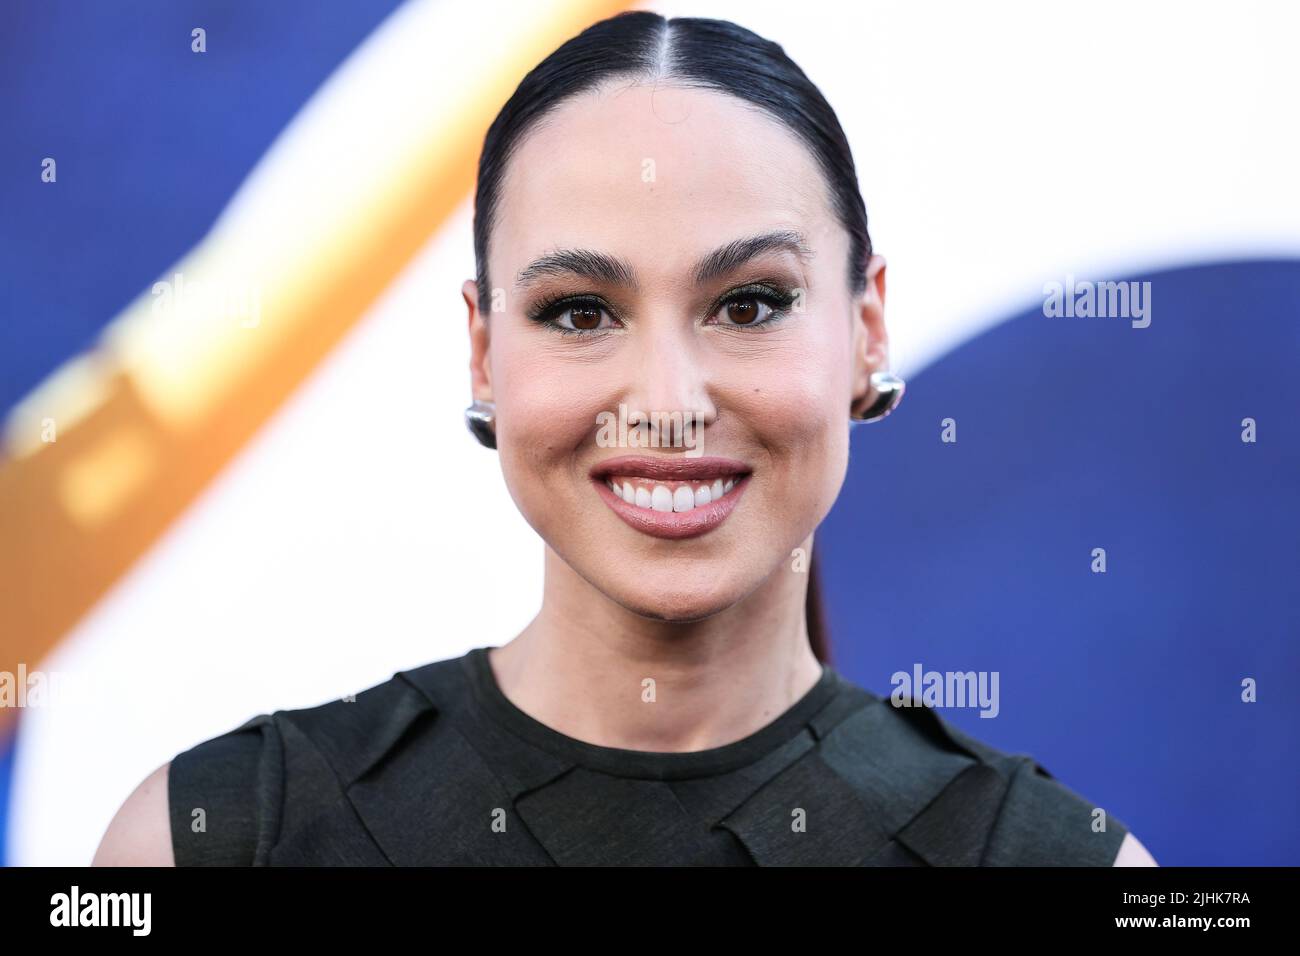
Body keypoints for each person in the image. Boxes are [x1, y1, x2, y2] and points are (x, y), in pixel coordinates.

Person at [94, 11, 1156, 867]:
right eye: (577, 310)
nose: (666, 400)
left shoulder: (1063, 862)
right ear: (481, 349)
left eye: (748, 304)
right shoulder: (209, 839)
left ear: (864, 328)